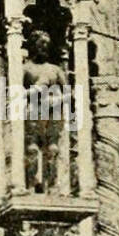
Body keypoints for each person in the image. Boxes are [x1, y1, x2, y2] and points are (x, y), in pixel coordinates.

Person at [23, 29, 68, 192]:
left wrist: (56, 100)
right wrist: (33, 91)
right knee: (32, 150)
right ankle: (31, 185)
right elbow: (14, 93)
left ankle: (52, 186)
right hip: (32, 112)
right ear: (33, 45)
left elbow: (69, 94)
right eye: (41, 44)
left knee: (53, 150)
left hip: (53, 112)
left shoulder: (55, 70)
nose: (44, 48)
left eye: (46, 45)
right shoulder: (25, 69)